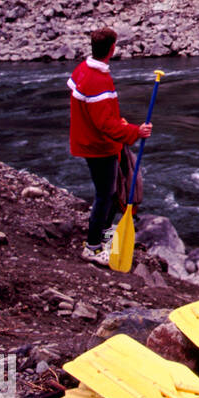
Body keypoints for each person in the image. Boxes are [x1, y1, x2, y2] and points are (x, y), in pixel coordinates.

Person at [67, 28, 153, 267]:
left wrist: (121, 124)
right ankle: (93, 247)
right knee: (106, 196)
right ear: (112, 48)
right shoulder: (99, 80)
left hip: (86, 140)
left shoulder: (82, 70)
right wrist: (136, 131)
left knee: (111, 194)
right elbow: (105, 124)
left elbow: (97, 115)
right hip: (99, 147)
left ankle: (103, 237)